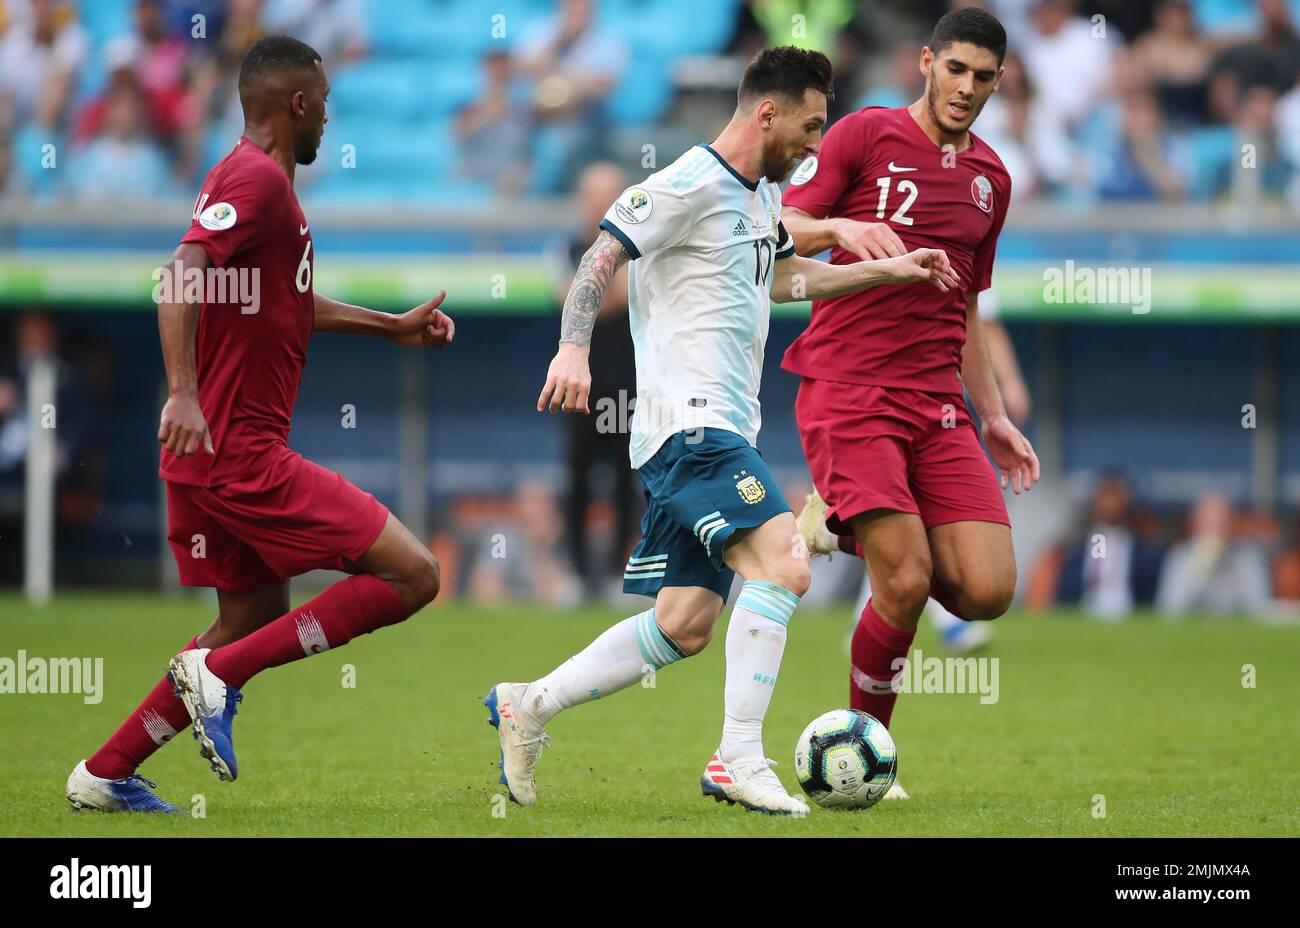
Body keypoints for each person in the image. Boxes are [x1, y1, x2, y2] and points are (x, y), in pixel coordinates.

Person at [486, 46, 960, 816]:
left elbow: (782, 281)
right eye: (809, 127)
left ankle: (527, 705)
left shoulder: (759, 202)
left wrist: (887, 270)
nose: (816, 145)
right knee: (784, 564)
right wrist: (573, 347)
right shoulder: (687, 182)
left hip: (719, 425)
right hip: (691, 427)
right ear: (766, 113)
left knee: (685, 623)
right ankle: (737, 756)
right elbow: (603, 251)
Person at [65, 35, 454, 814]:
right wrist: (181, 391)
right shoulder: (256, 181)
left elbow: (289, 302)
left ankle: (103, 774)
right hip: (236, 453)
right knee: (414, 575)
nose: (331, 122)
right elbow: (179, 272)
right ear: (300, 104)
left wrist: (390, 327)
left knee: (250, 617)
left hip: (210, 456)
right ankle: (220, 676)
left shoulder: (258, 184)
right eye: (327, 104)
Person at [781, 8, 1038, 800]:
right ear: (926, 62)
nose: (965, 88)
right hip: (851, 392)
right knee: (905, 578)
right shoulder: (863, 135)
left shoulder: (993, 179)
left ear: (1000, 82)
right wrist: (845, 229)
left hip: (939, 408)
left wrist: (992, 413)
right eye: (954, 68)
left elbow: (967, 308)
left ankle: (837, 519)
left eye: (983, 76)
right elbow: (783, 230)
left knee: (988, 589)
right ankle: (868, 753)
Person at [561, 162, 639, 599]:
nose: (600, 202)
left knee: (626, 480)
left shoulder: (637, 249)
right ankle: (575, 574)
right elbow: (566, 296)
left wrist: (591, 294)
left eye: (610, 193)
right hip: (576, 386)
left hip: (625, 384)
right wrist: (598, 294)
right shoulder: (568, 246)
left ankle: (615, 575)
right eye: (593, 193)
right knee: (577, 479)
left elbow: (615, 298)